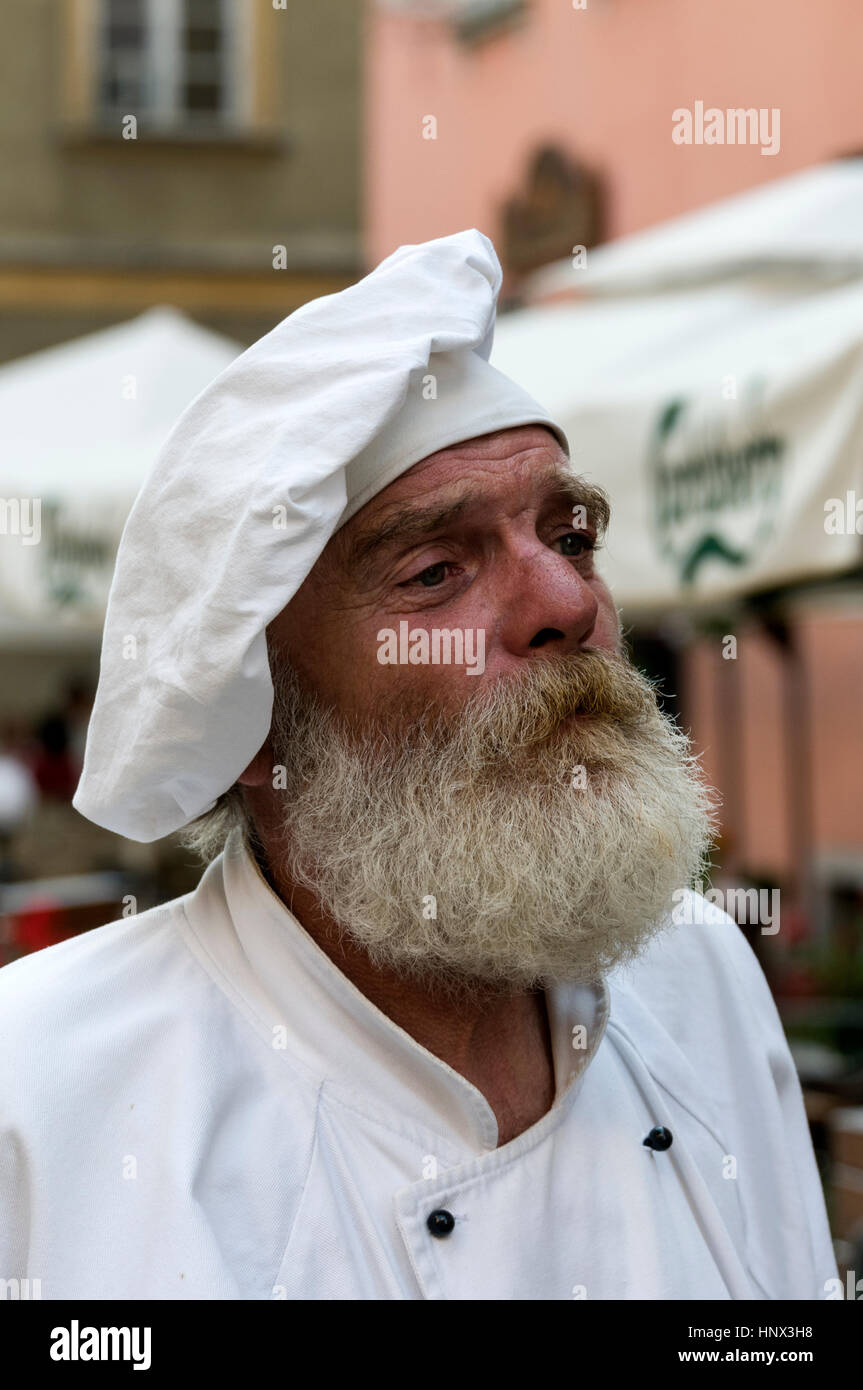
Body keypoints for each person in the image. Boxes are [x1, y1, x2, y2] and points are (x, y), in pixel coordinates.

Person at [0, 231, 838, 1300]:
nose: (567, 604)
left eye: (569, 535)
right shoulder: (41, 1089)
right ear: (257, 722)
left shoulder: (700, 971)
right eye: (437, 571)